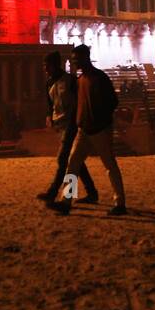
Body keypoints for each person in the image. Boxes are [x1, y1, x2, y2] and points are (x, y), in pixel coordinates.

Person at [52, 44, 127, 216]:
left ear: (86, 58)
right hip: (84, 129)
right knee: (72, 165)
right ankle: (66, 200)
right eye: (74, 60)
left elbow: (112, 102)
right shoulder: (81, 80)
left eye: (77, 59)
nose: (75, 63)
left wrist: (100, 120)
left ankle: (120, 202)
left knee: (109, 165)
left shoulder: (99, 78)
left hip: (99, 129)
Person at [37, 51, 97, 206]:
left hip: (72, 125)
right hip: (61, 126)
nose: (45, 68)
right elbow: (51, 105)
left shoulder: (70, 81)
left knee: (64, 159)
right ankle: (91, 192)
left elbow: (78, 103)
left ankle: (57, 193)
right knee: (75, 160)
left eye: (47, 65)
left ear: (55, 65)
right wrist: (50, 117)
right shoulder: (49, 83)